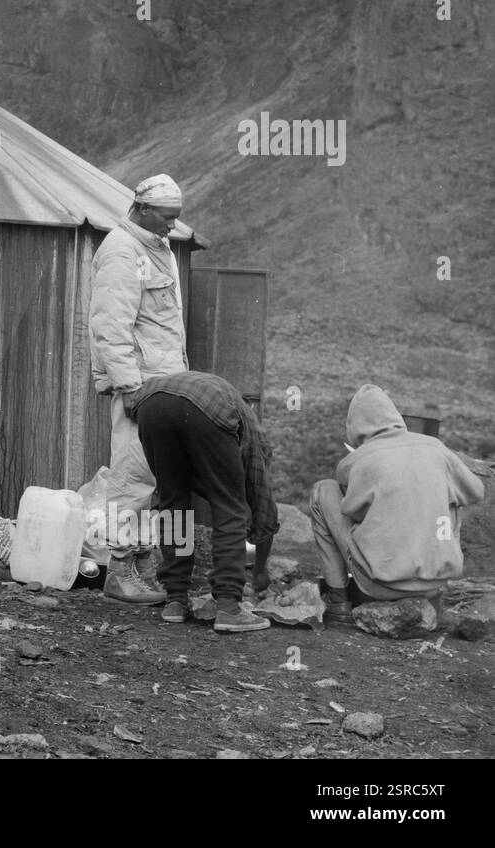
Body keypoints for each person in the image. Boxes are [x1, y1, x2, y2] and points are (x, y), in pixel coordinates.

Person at [88, 173, 189, 604]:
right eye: (167, 217)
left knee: (154, 478)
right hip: (141, 386)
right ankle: (119, 570)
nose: (172, 226)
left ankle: (144, 566)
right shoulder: (122, 250)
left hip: (163, 385)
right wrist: (129, 386)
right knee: (130, 478)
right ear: (143, 209)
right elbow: (110, 327)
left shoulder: (156, 248)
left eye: (176, 218)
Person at [311, 384, 485, 623]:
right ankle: (433, 596)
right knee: (453, 497)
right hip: (435, 583)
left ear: (354, 426)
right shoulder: (435, 447)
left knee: (324, 490)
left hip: (379, 584)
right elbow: (476, 491)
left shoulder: (357, 460)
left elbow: (352, 511)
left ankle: (338, 600)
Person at [126, 370, 277, 632]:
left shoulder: (232, 423)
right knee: (229, 507)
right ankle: (229, 608)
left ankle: (175, 601)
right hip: (203, 406)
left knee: (174, 505)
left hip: (151, 403)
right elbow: (263, 510)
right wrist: (261, 570)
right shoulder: (257, 446)